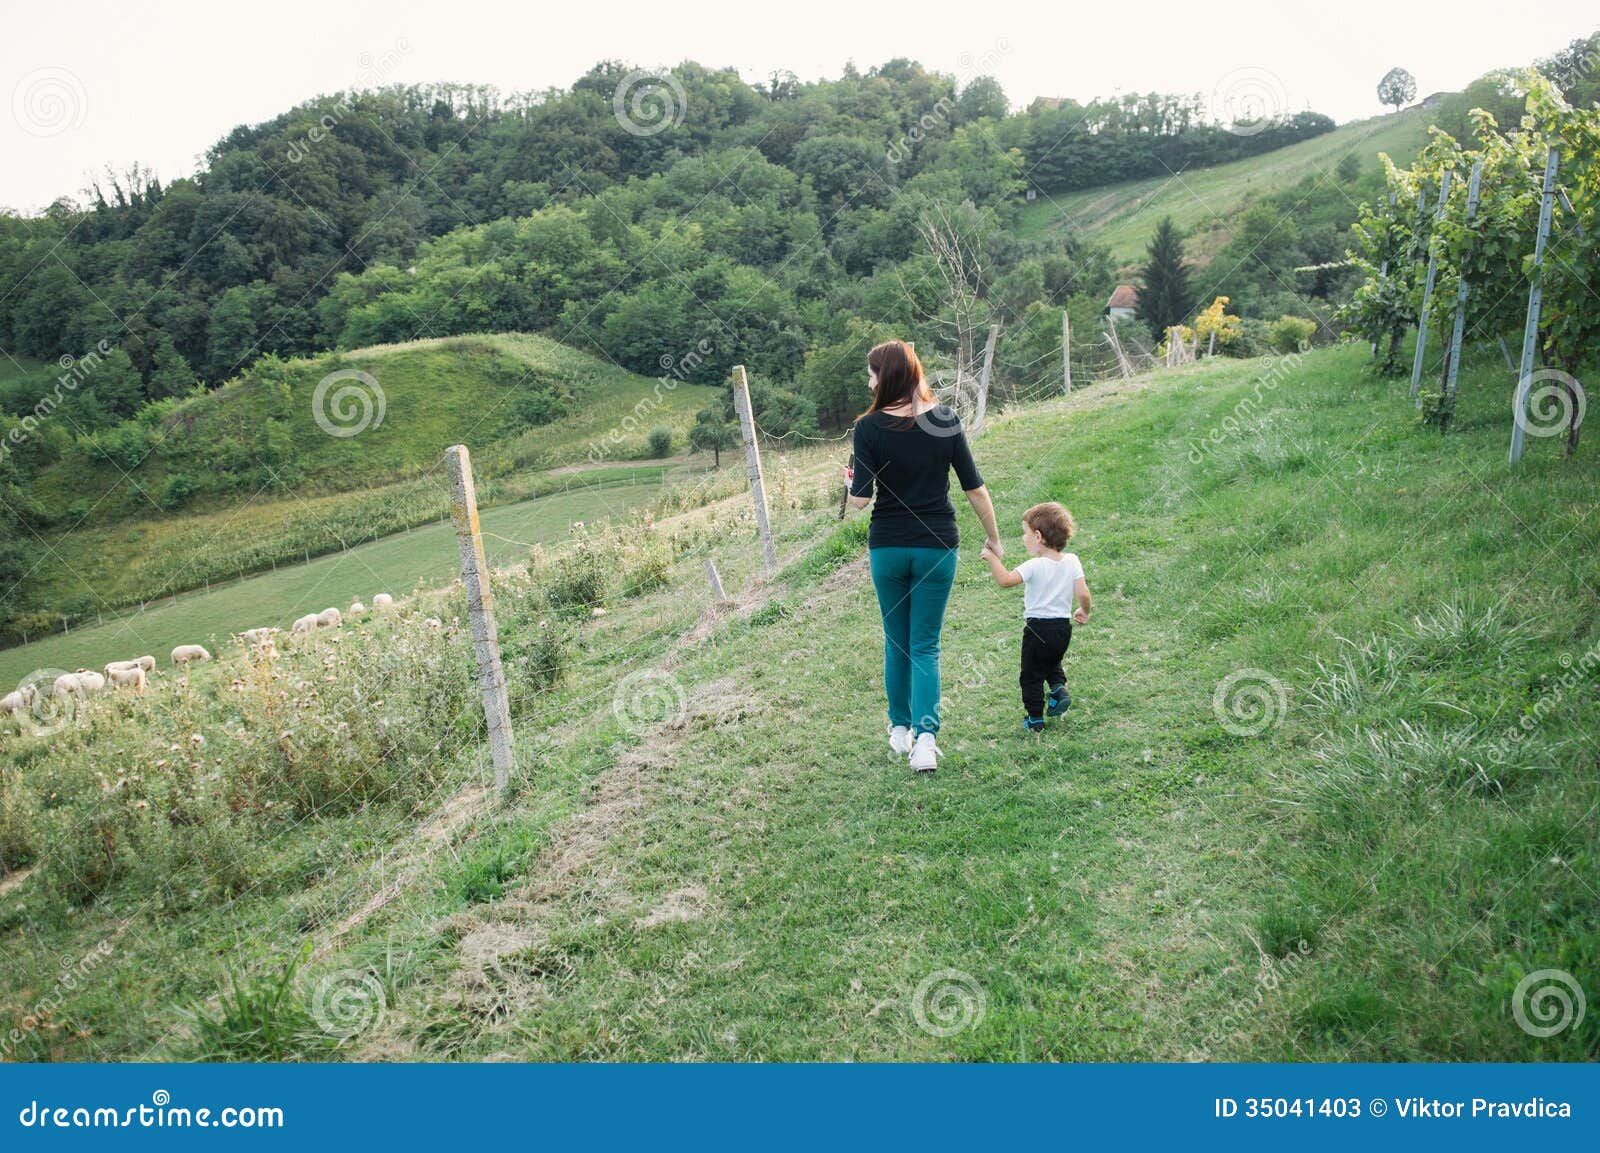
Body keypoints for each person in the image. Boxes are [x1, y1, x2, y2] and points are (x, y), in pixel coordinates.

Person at [846, 340, 1002, 773]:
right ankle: (925, 742)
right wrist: (994, 539)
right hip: (937, 545)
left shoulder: (868, 428)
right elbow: (974, 488)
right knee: (925, 646)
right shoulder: (945, 420)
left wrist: (850, 481)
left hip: (889, 547)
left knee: (896, 642)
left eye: (872, 372)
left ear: (887, 376)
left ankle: (899, 731)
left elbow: (859, 501)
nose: (869, 380)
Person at [979, 502, 1091, 732]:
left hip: (1037, 628)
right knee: (1051, 661)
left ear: (1038, 536)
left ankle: (1035, 719)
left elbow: (1006, 581)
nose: (1023, 538)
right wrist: (1084, 610)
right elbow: (1083, 592)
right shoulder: (1072, 560)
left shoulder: (1035, 565)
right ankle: (1059, 690)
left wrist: (991, 558)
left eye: (1025, 533)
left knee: (1031, 674)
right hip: (1062, 628)